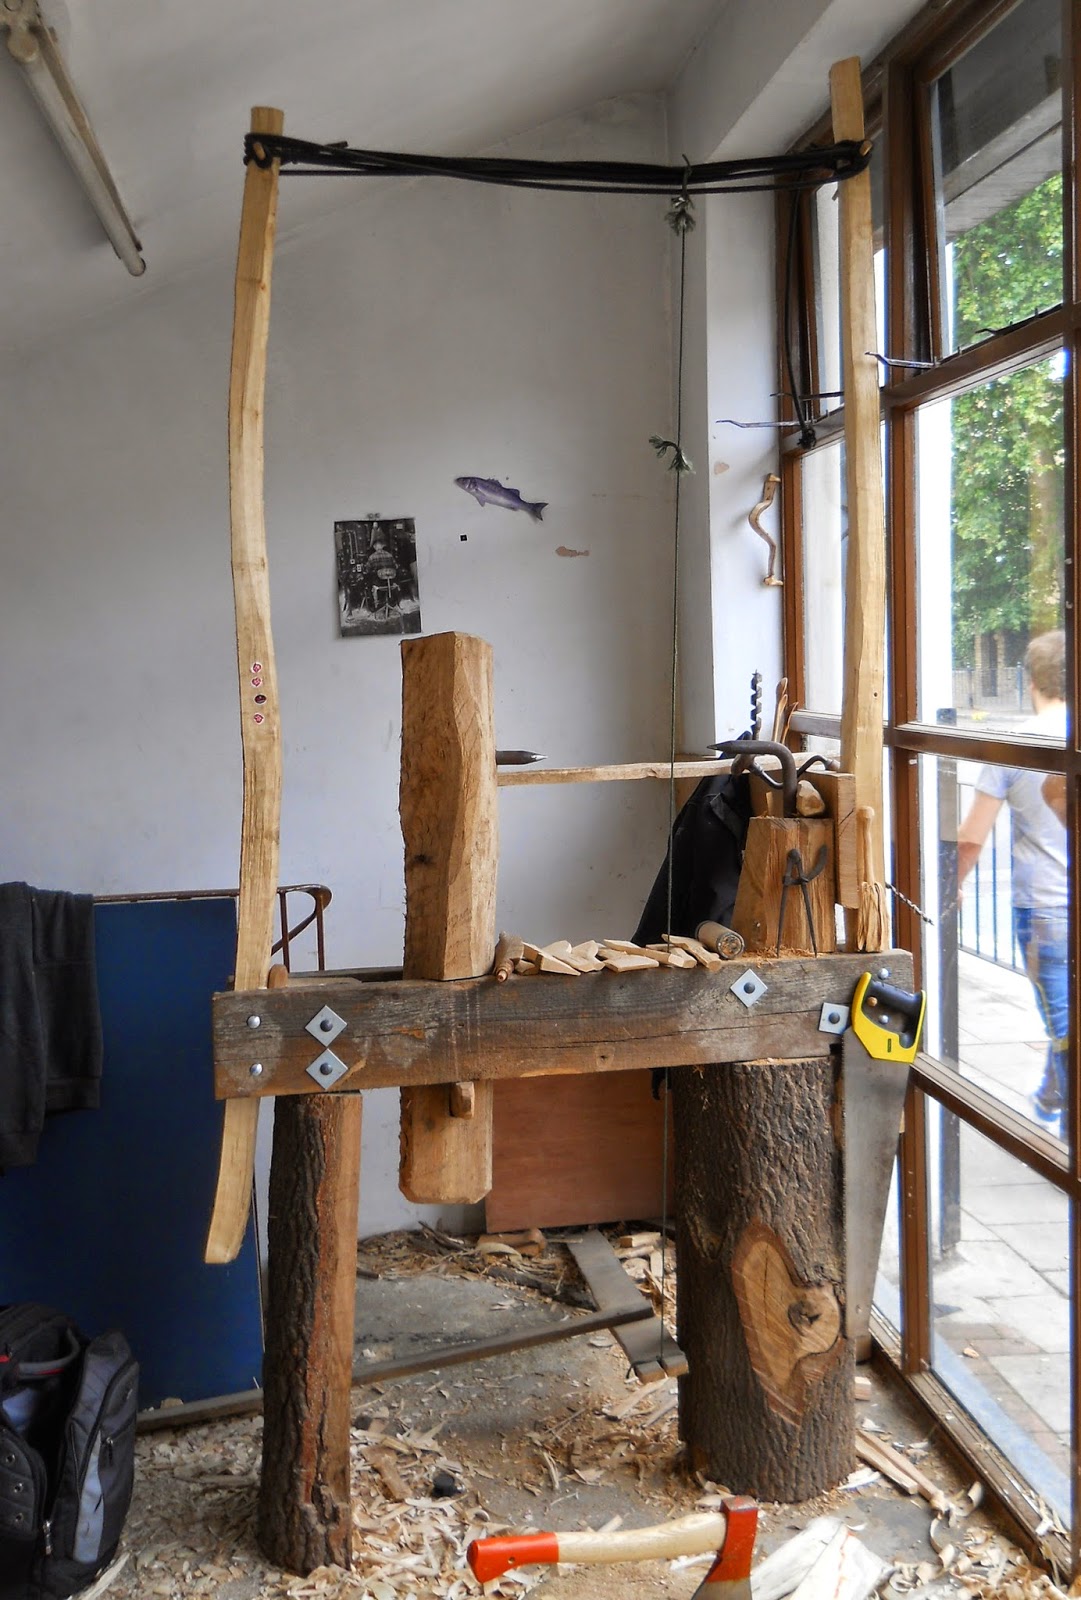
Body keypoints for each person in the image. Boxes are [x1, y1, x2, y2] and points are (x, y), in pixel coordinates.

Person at [955, 630, 1068, 1134]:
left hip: (1044, 906)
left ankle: (1069, 1130)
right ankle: (1051, 1097)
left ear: (1031, 680)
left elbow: (972, 837)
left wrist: (951, 884)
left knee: (1065, 1024)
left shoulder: (1019, 741)